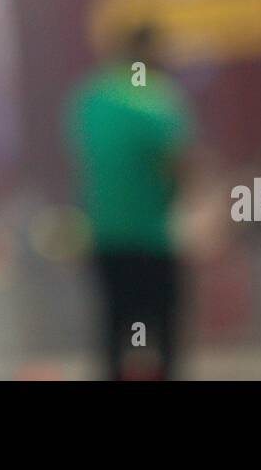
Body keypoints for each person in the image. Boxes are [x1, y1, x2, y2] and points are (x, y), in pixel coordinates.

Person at [65, 23, 198, 379]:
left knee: (113, 331)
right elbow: (178, 168)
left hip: (105, 237)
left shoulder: (91, 97)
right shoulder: (158, 98)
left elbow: (82, 164)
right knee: (163, 334)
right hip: (152, 238)